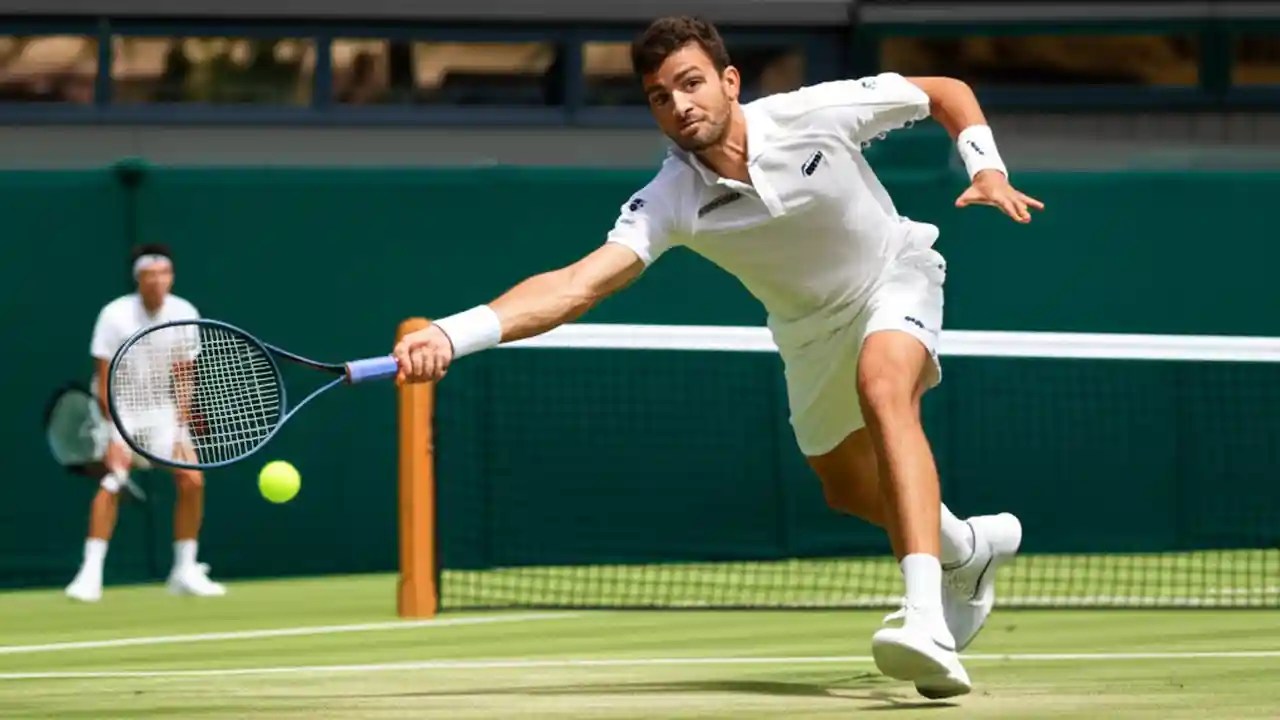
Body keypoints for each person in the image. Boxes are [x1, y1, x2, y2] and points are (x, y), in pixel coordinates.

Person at [393, 16, 1043, 698]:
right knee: (847, 489)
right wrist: (452, 333)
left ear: (730, 81)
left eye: (691, 83)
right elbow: (576, 285)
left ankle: (924, 620)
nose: (679, 105)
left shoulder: (813, 113)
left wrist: (986, 167)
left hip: (894, 275)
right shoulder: (671, 197)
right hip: (805, 332)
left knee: (884, 389)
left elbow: (945, 89)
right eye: (659, 96)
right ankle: (967, 550)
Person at [65, 244, 227, 603]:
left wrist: (182, 429)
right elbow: (104, 381)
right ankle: (89, 573)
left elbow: (184, 376)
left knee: (192, 479)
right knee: (113, 480)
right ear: (138, 279)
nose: (156, 281)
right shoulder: (114, 315)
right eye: (148, 275)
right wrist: (114, 434)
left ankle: (184, 569)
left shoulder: (184, 312)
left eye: (162, 273)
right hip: (118, 408)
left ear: (171, 277)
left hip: (163, 413)